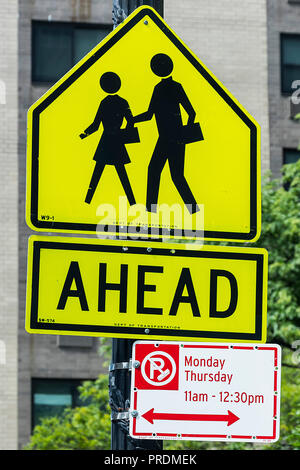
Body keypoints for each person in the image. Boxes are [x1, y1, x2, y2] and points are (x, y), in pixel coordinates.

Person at [133, 53, 200, 214]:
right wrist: (132, 120)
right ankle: (190, 210)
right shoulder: (166, 87)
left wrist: (184, 135)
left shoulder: (167, 87)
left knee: (166, 173)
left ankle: (153, 210)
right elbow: (190, 113)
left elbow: (191, 112)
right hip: (170, 138)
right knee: (169, 174)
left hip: (171, 139)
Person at [80, 71, 137, 205]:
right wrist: (126, 134)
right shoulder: (123, 102)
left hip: (106, 141)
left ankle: (88, 201)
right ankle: (132, 202)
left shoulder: (104, 102)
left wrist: (84, 134)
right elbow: (131, 121)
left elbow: (95, 125)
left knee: (99, 172)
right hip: (116, 140)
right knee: (120, 173)